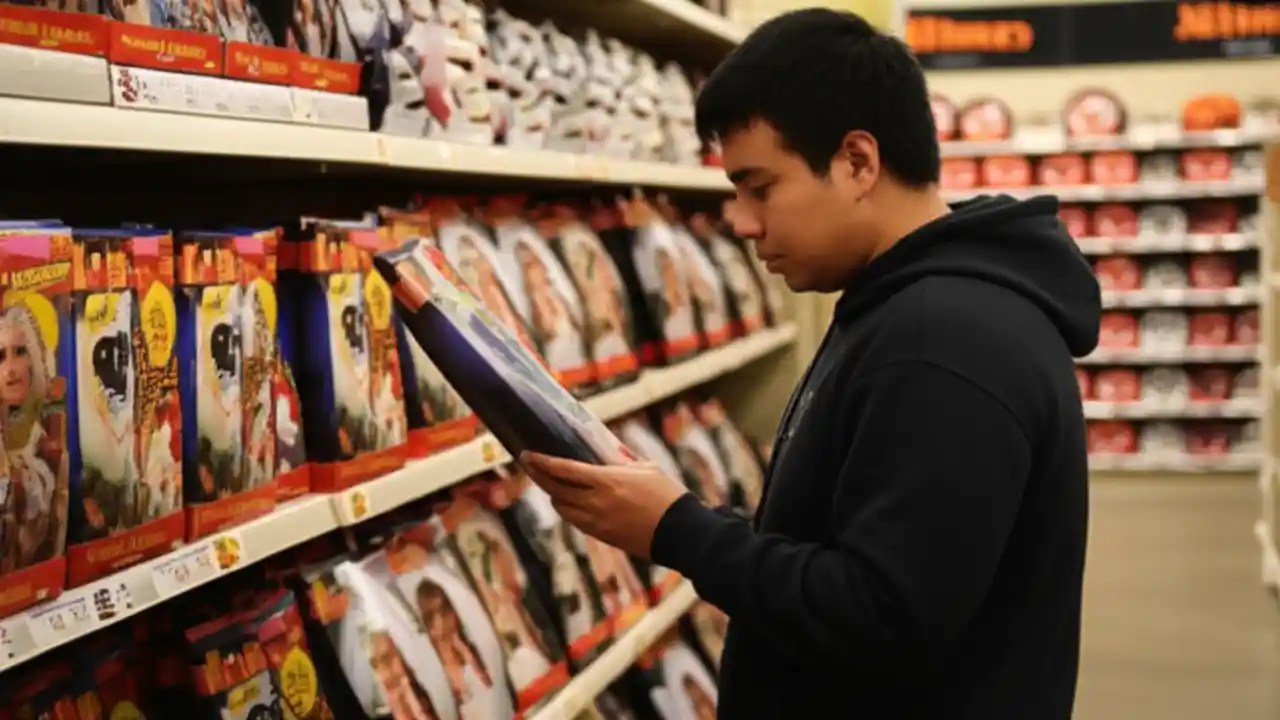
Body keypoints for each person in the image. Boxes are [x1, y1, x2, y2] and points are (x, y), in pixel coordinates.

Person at [520, 9, 1099, 719]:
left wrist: (679, 530)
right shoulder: (899, 307)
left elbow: (885, 617)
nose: (740, 221)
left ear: (858, 162)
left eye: (759, 187)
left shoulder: (942, 341)